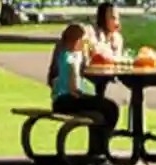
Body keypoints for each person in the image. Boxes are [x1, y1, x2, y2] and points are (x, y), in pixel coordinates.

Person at [47, 24, 119, 156]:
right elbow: (74, 87)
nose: (87, 44)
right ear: (77, 42)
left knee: (101, 109)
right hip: (68, 100)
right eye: (85, 41)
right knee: (110, 107)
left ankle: (99, 148)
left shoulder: (63, 55)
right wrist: (81, 94)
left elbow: (55, 80)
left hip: (59, 100)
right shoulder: (72, 60)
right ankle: (103, 146)